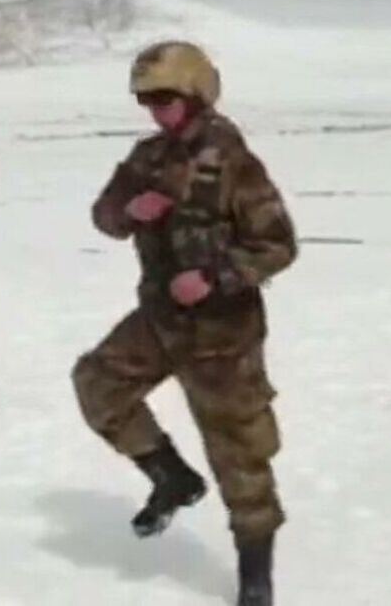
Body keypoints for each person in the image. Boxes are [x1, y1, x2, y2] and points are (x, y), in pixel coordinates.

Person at [71, 40, 296, 606]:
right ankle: (170, 476)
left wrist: (216, 277)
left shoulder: (232, 162)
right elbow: (103, 216)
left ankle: (255, 574)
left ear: (195, 94)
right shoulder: (145, 158)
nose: (155, 110)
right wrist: (128, 211)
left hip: (222, 331)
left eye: (165, 98)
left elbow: (277, 245)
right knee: (98, 382)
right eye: (146, 100)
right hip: (160, 319)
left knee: (239, 451)